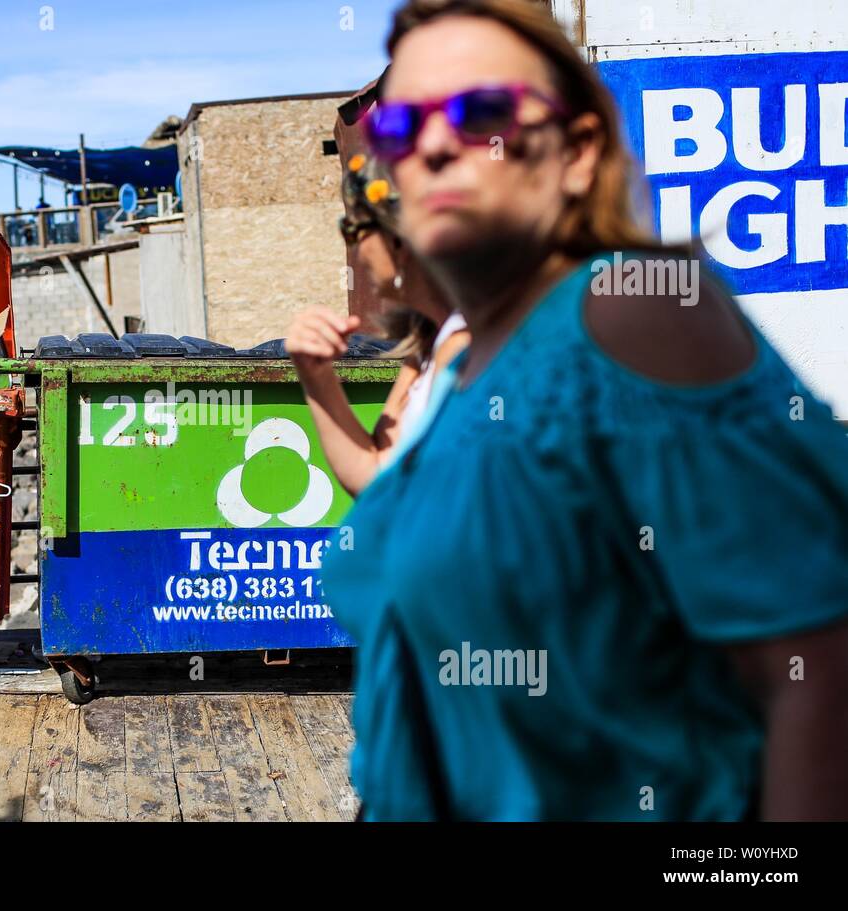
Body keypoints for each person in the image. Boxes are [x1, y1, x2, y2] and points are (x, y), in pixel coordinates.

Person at [322, 0, 848, 820]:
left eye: (479, 111)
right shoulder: (471, 361)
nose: (430, 143)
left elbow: (815, 668)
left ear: (577, 152)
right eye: (404, 127)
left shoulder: (630, 310)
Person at [287, 117, 468, 496]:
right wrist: (316, 377)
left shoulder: (471, 346)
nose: (355, 249)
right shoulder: (431, 342)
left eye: (355, 229)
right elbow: (377, 478)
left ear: (401, 239)